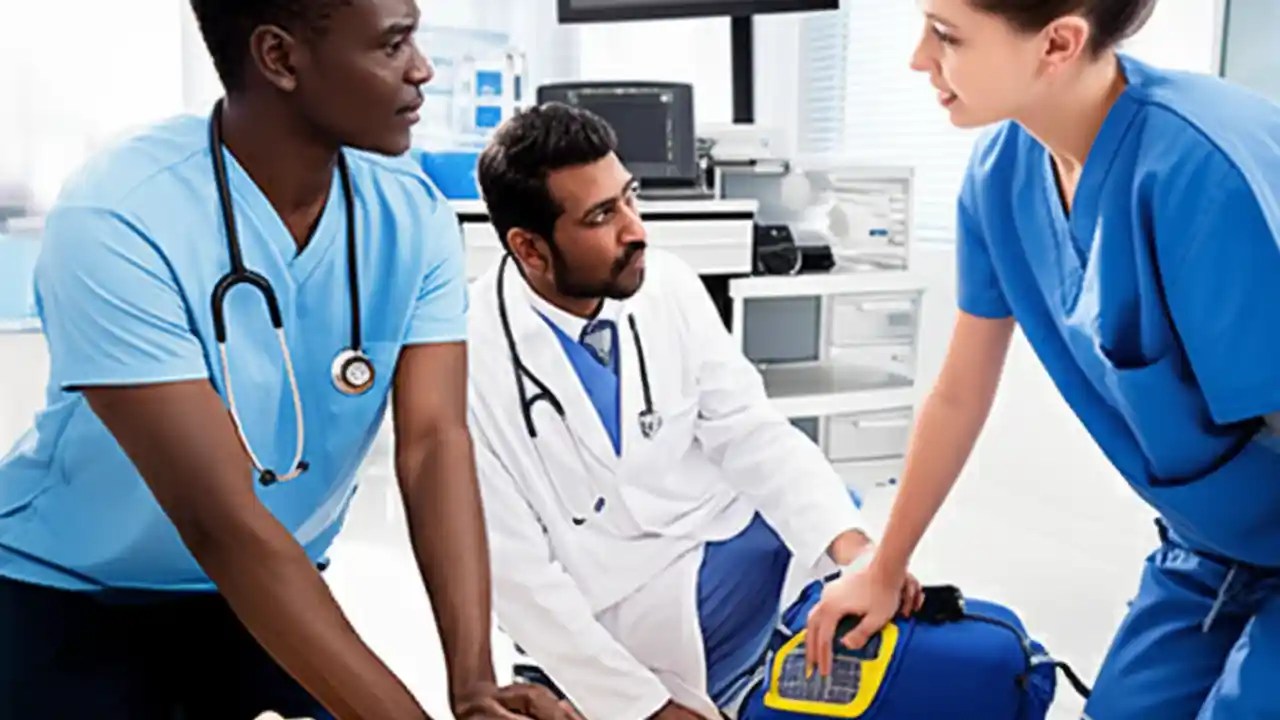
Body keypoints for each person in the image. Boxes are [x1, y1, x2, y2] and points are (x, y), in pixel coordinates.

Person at [0, 1, 563, 719]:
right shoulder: (118, 217)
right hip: (71, 598)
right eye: (392, 46)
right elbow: (220, 522)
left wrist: (476, 686)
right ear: (280, 58)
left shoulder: (413, 213)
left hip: (276, 592)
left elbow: (432, 445)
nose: (422, 69)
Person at [465, 103, 1073, 720]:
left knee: (923, 646)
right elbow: (516, 577)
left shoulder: (667, 284)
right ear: (531, 250)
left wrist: (859, 556)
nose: (636, 229)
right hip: (618, 615)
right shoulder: (470, 357)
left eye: (630, 198)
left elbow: (752, 433)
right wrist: (646, 709)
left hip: (737, 557)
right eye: (602, 216)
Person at [804, 1, 1280, 718]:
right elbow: (961, 392)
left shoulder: (1197, 169)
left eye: (946, 36)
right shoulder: (1002, 173)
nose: (917, 59)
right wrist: (885, 564)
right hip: (1210, 543)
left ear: (1058, 43)